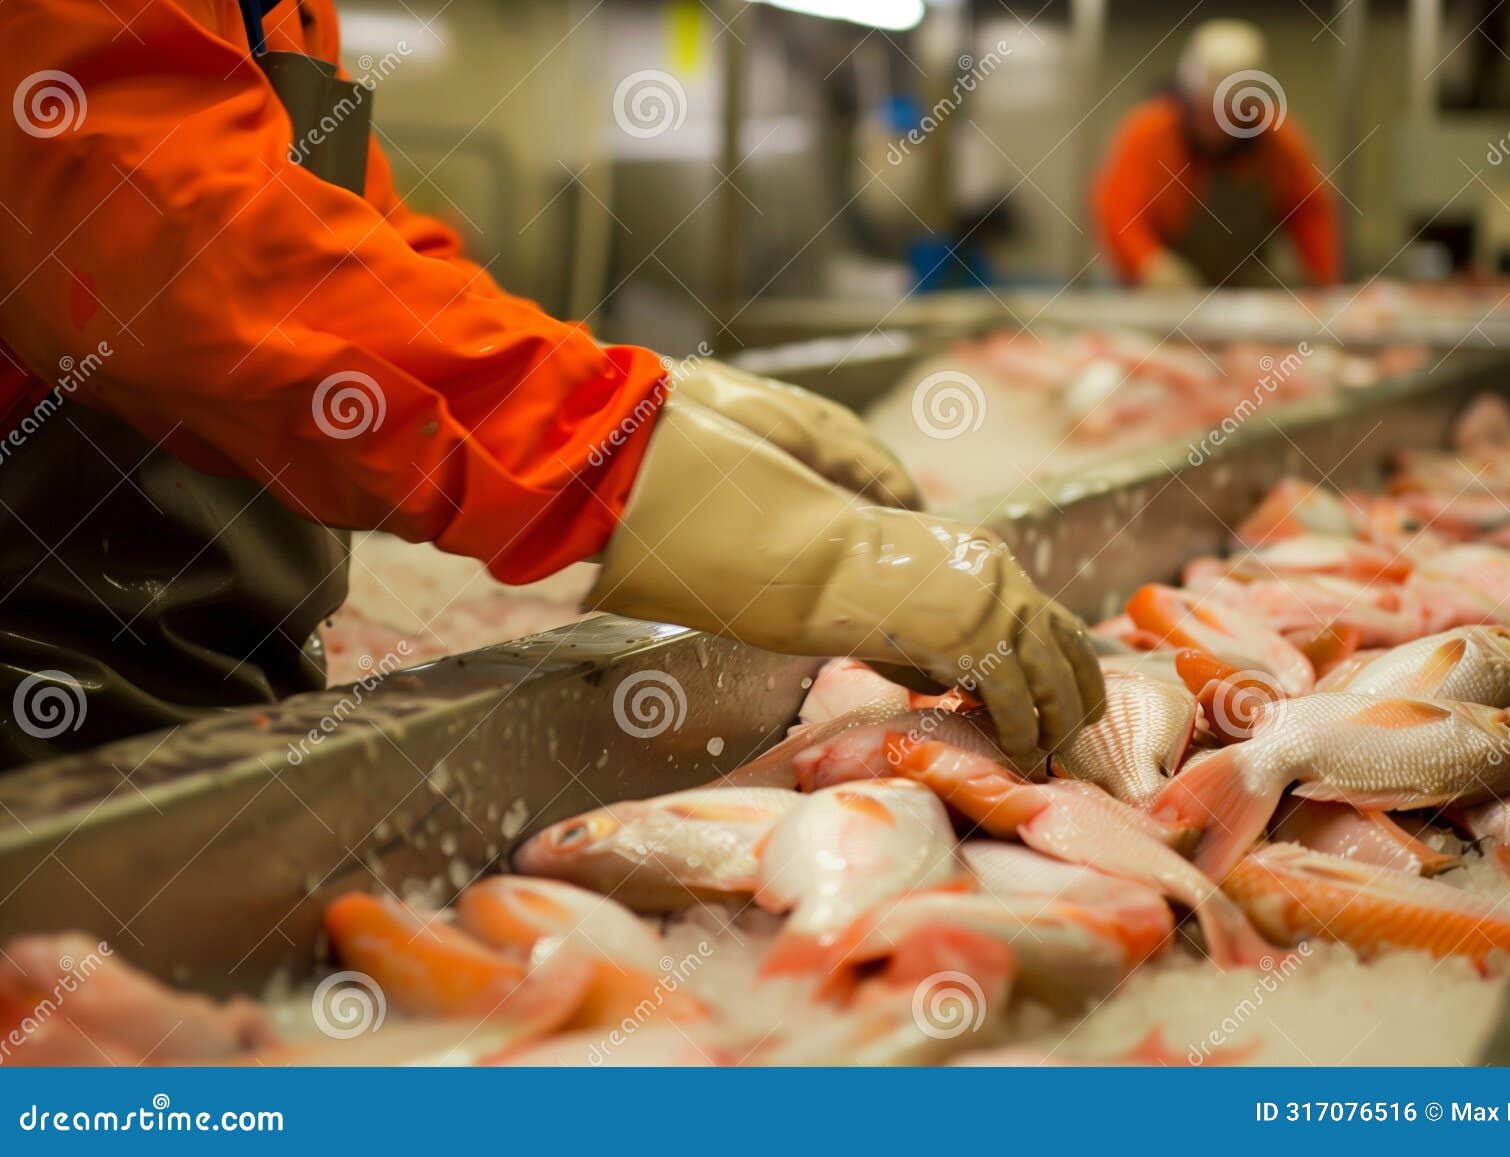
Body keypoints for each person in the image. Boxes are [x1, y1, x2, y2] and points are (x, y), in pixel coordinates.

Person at [0, 0, 1103, 768]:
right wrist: (626, 456)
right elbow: (177, 265)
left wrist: (651, 391)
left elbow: (359, 256)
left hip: (190, 670)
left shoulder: (283, 10)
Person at [1092, 19, 1341, 289]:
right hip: (1159, 299)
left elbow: (1310, 214)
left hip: (1242, 300)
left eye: (1231, 112)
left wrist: (1324, 287)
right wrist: (1150, 266)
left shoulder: (1279, 141)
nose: (1218, 124)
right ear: (1188, 97)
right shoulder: (1149, 132)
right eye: (1209, 109)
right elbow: (1117, 210)